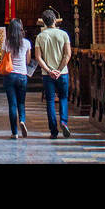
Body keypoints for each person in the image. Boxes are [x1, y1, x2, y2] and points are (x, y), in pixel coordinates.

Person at [34, 9, 72, 138]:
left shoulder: (40, 37)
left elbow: (38, 57)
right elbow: (67, 55)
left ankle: (53, 131)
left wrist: (49, 70)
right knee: (63, 98)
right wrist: (59, 70)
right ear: (55, 20)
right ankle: (64, 122)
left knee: (50, 101)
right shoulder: (63, 34)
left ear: (44, 22)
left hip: (47, 75)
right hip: (63, 73)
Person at [0, 17, 31, 138]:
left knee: (12, 104)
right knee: (21, 102)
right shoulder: (26, 43)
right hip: (22, 75)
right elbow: (28, 61)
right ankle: (22, 120)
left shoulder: (6, 43)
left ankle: (14, 132)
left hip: (10, 75)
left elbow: (2, 58)